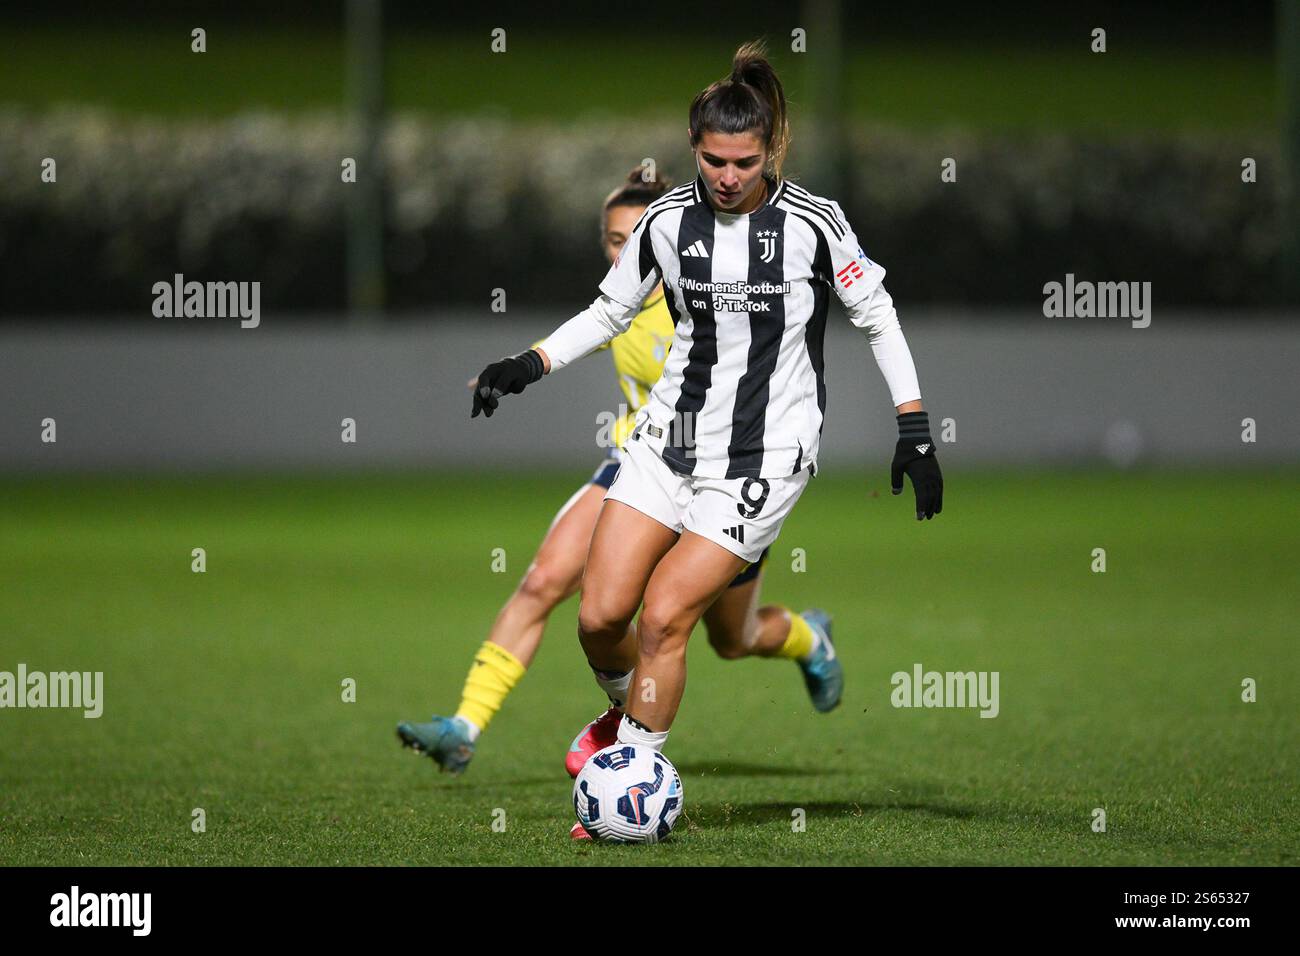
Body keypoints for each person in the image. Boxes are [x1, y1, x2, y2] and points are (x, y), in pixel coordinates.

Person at [470, 37, 943, 780]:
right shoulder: (664, 223)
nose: (728, 178)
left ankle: (636, 782)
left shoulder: (813, 224)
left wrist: (913, 427)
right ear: (695, 146)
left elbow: (878, 317)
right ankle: (628, 720)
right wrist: (530, 363)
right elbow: (608, 311)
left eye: (745, 164)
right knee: (599, 620)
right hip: (668, 442)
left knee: (664, 618)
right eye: (714, 161)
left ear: (769, 152)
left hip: (762, 458)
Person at [399, 166, 841, 778]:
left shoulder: (711, 294)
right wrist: (519, 366)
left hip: (728, 473)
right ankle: (467, 725)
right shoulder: (626, 299)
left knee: (732, 639)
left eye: (637, 234)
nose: (627, 247)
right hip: (643, 465)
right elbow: (589, 326)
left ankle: (806, 639)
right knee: (546, 581)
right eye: (613, 238)